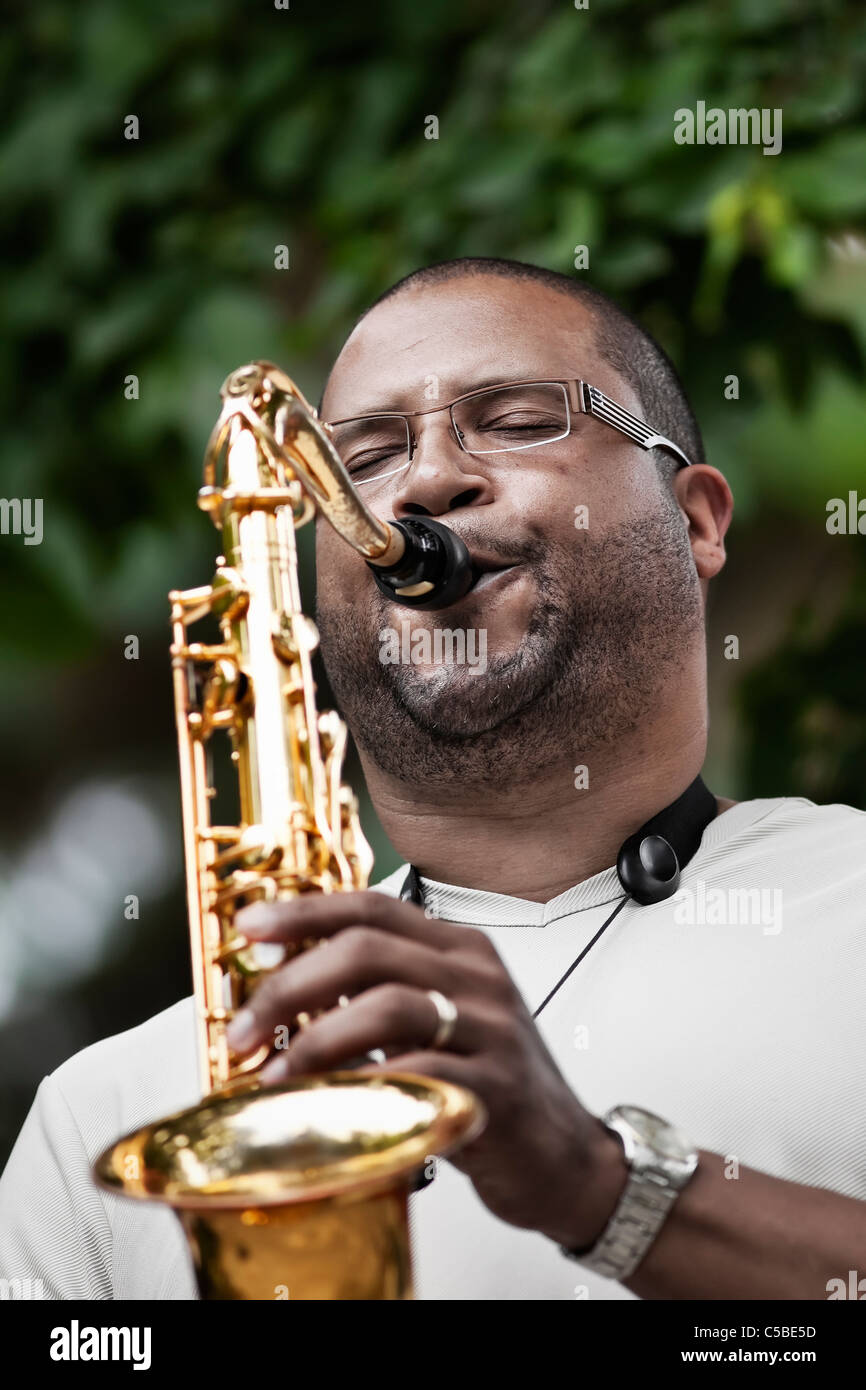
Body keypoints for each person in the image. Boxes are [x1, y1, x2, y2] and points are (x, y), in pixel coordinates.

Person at [2, 257, 865, 1301]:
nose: (422, 483)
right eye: (361, 456)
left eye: (513, 419)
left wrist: (597, 1186)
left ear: (694, 521)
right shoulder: (108, 1109)